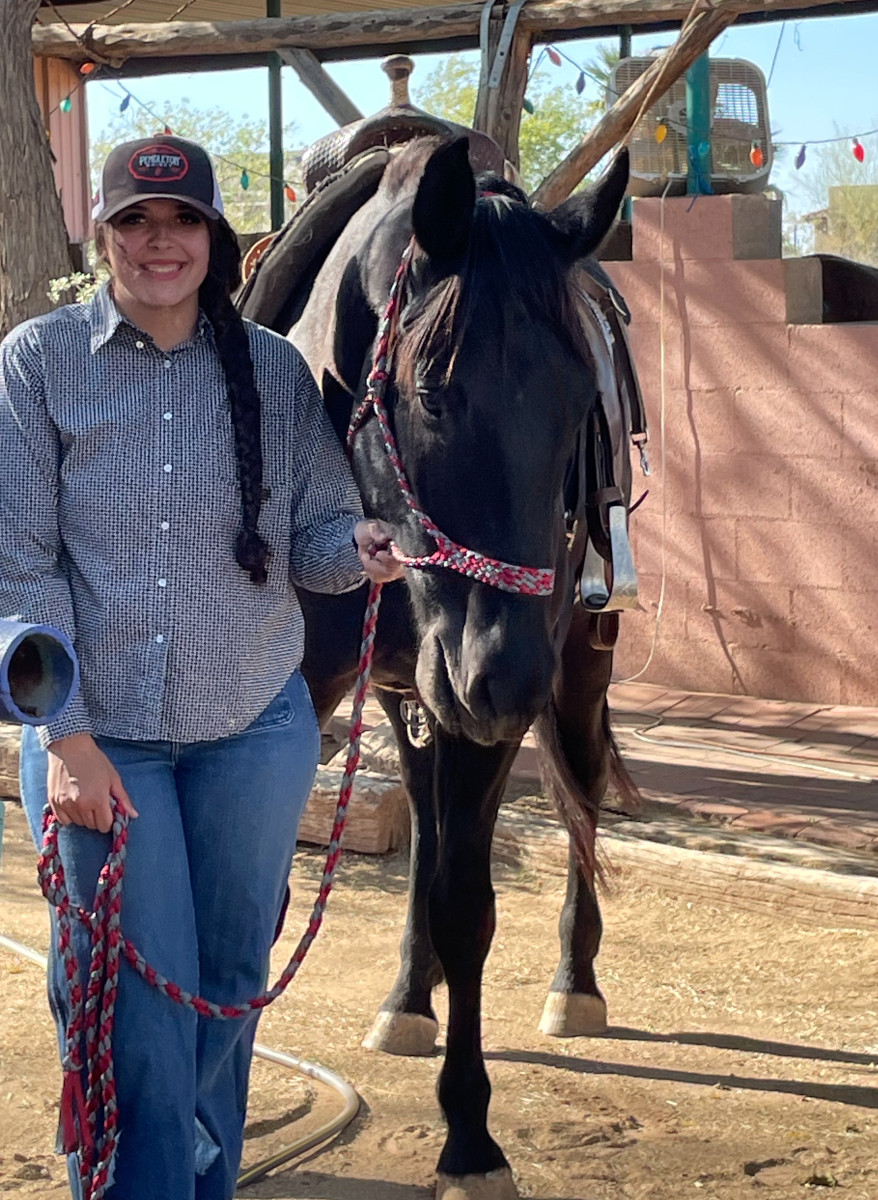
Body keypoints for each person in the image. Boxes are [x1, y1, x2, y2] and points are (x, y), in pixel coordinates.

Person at [0, 135, 403, 1200]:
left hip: (254, 731)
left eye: (181, 222)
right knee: (135, 998)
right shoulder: (37, 363)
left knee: (227, 985)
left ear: (214, 239)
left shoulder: (270, 370)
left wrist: (356, 550)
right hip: (101, 739)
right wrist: (65, 738)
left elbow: (315, 535)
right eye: (136, 220)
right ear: (104, 234)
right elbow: (17, 567)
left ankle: (198, 1181)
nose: (159, 242)